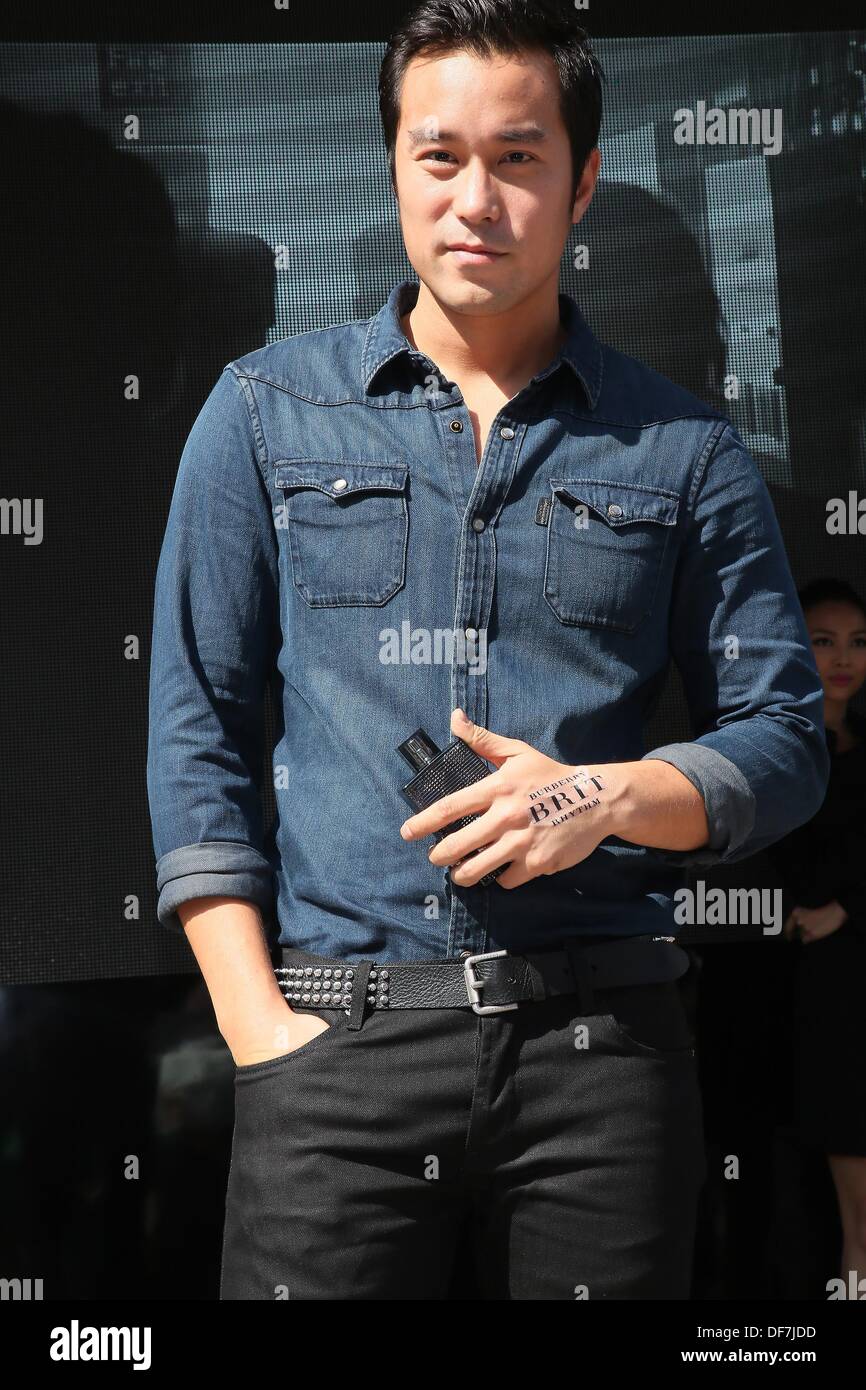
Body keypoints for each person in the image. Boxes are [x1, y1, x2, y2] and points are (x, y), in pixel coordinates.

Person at [146, 0, 829, 1300]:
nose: (475, 197)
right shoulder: (261, 416)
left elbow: (784, 744)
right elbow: (198, 731)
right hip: (331, 1046)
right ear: (393, 168)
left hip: (602, 1057)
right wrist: (258, 1031)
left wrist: (604, 795)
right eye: (438, 155)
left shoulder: (686, 452)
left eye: (516, 159)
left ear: (579, 182)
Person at [766, 578, 866, 1286]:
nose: (843, 658)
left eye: (858, 642)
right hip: (823, 997)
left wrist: (850, 909)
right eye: (824, 641)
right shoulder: (779, 753)